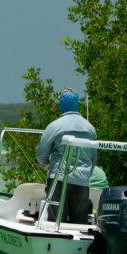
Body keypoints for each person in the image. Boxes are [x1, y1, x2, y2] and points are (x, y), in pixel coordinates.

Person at [36, 88, 97, 224]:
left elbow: (41, 154)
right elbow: (93, 158)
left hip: (59, 178)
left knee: (56, 221)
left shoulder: (55, 126)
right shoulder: (90, 128)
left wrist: (47, 164)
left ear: (61, 105)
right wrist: (85, 174)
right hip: (82, 181)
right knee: (79, 223)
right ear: (76, 104)